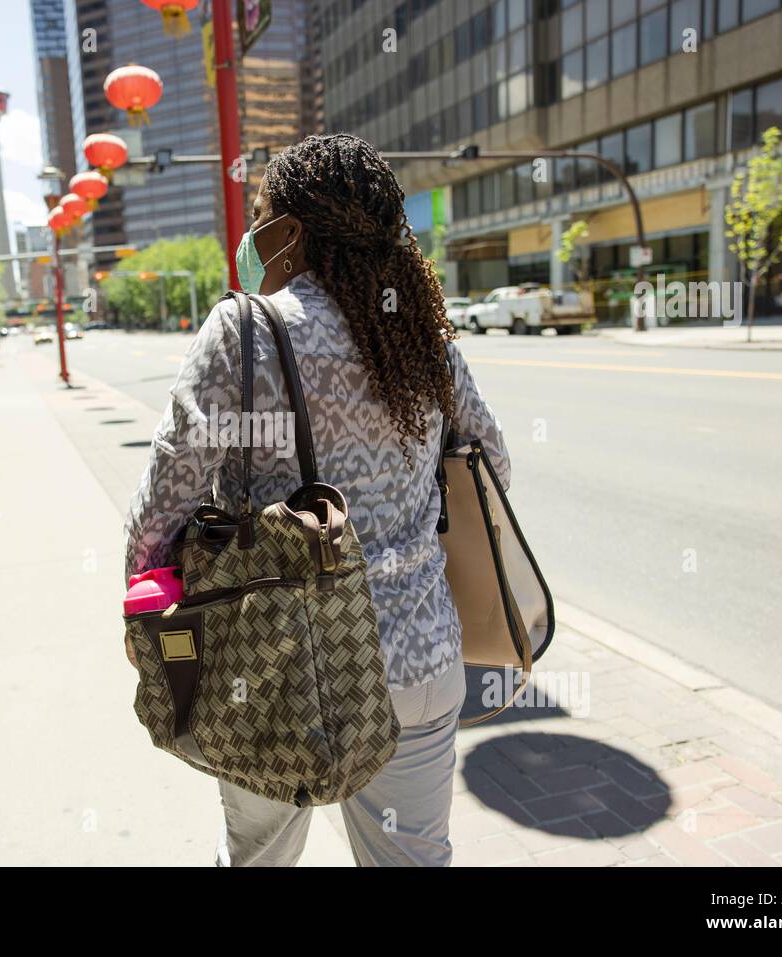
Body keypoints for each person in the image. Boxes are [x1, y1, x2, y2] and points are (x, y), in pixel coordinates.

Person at [123, 133, 511, 866]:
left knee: (259, 858)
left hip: (274, 668)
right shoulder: (422, 335)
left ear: (291, 233)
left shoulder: (244, 333)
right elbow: (493, 467)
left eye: (263, 213)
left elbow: (159, 514)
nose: (253, 233)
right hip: (421, 661)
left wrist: (151, 621)